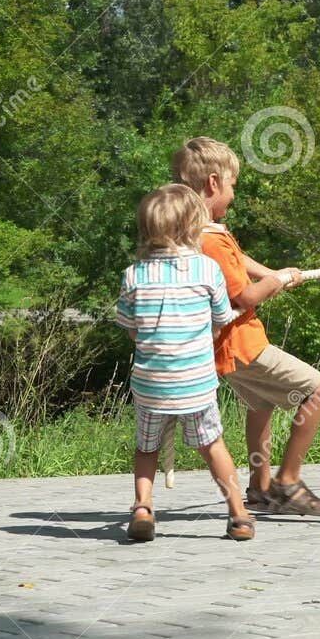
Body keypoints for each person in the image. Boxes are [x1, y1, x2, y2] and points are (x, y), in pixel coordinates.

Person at [172, 137, 320, 517]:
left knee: (260, 404)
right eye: (232, 186)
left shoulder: (200, 230)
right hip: (241, 345)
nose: (233, 194)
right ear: (213, 184)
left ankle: (260, 487)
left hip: (226, 348)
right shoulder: (209, 240)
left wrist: (277, 275)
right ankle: (288, 481)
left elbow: (239, 262)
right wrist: (274, 282)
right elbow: (245, 297)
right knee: (318, 389)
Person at [115, 184, 255, 542]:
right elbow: (222, 317)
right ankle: (239, 514)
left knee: (147, 449)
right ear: (194, 227)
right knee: (213, 446)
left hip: (151, 386)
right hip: (195, 383)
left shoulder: (134, 275)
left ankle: (143, 507)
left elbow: (131, 330)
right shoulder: (207, 270)